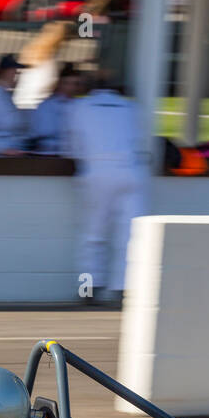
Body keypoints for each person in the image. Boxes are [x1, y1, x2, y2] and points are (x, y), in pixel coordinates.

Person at [64, 72, 149, 304]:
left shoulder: (79, 106)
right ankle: (124, 287)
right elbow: (139, 141)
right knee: (128, 236)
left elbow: (72, 147)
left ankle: (89, 288)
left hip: (97, 171)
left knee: (93, 234)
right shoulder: (131, 108)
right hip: (131, 171)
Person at [29, 64, 84, 155]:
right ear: (60, 84)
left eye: (75, 84)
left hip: (74, 153)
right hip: (50, 153)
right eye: (67, 83)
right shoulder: (46, 106)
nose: (71, 88)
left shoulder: (81, 105)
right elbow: (43, 132)